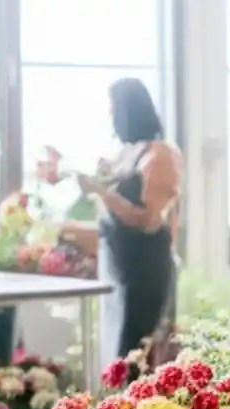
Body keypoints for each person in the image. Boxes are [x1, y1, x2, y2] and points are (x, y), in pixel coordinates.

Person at [64, 78, 182, 365]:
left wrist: (101, 192)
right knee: (116, 351)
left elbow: (150, 220)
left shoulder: (160, 154)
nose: (110, 116)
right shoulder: (126, 154)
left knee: (138, 351)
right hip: (117, 269)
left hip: (145, 272)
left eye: (114, 107)